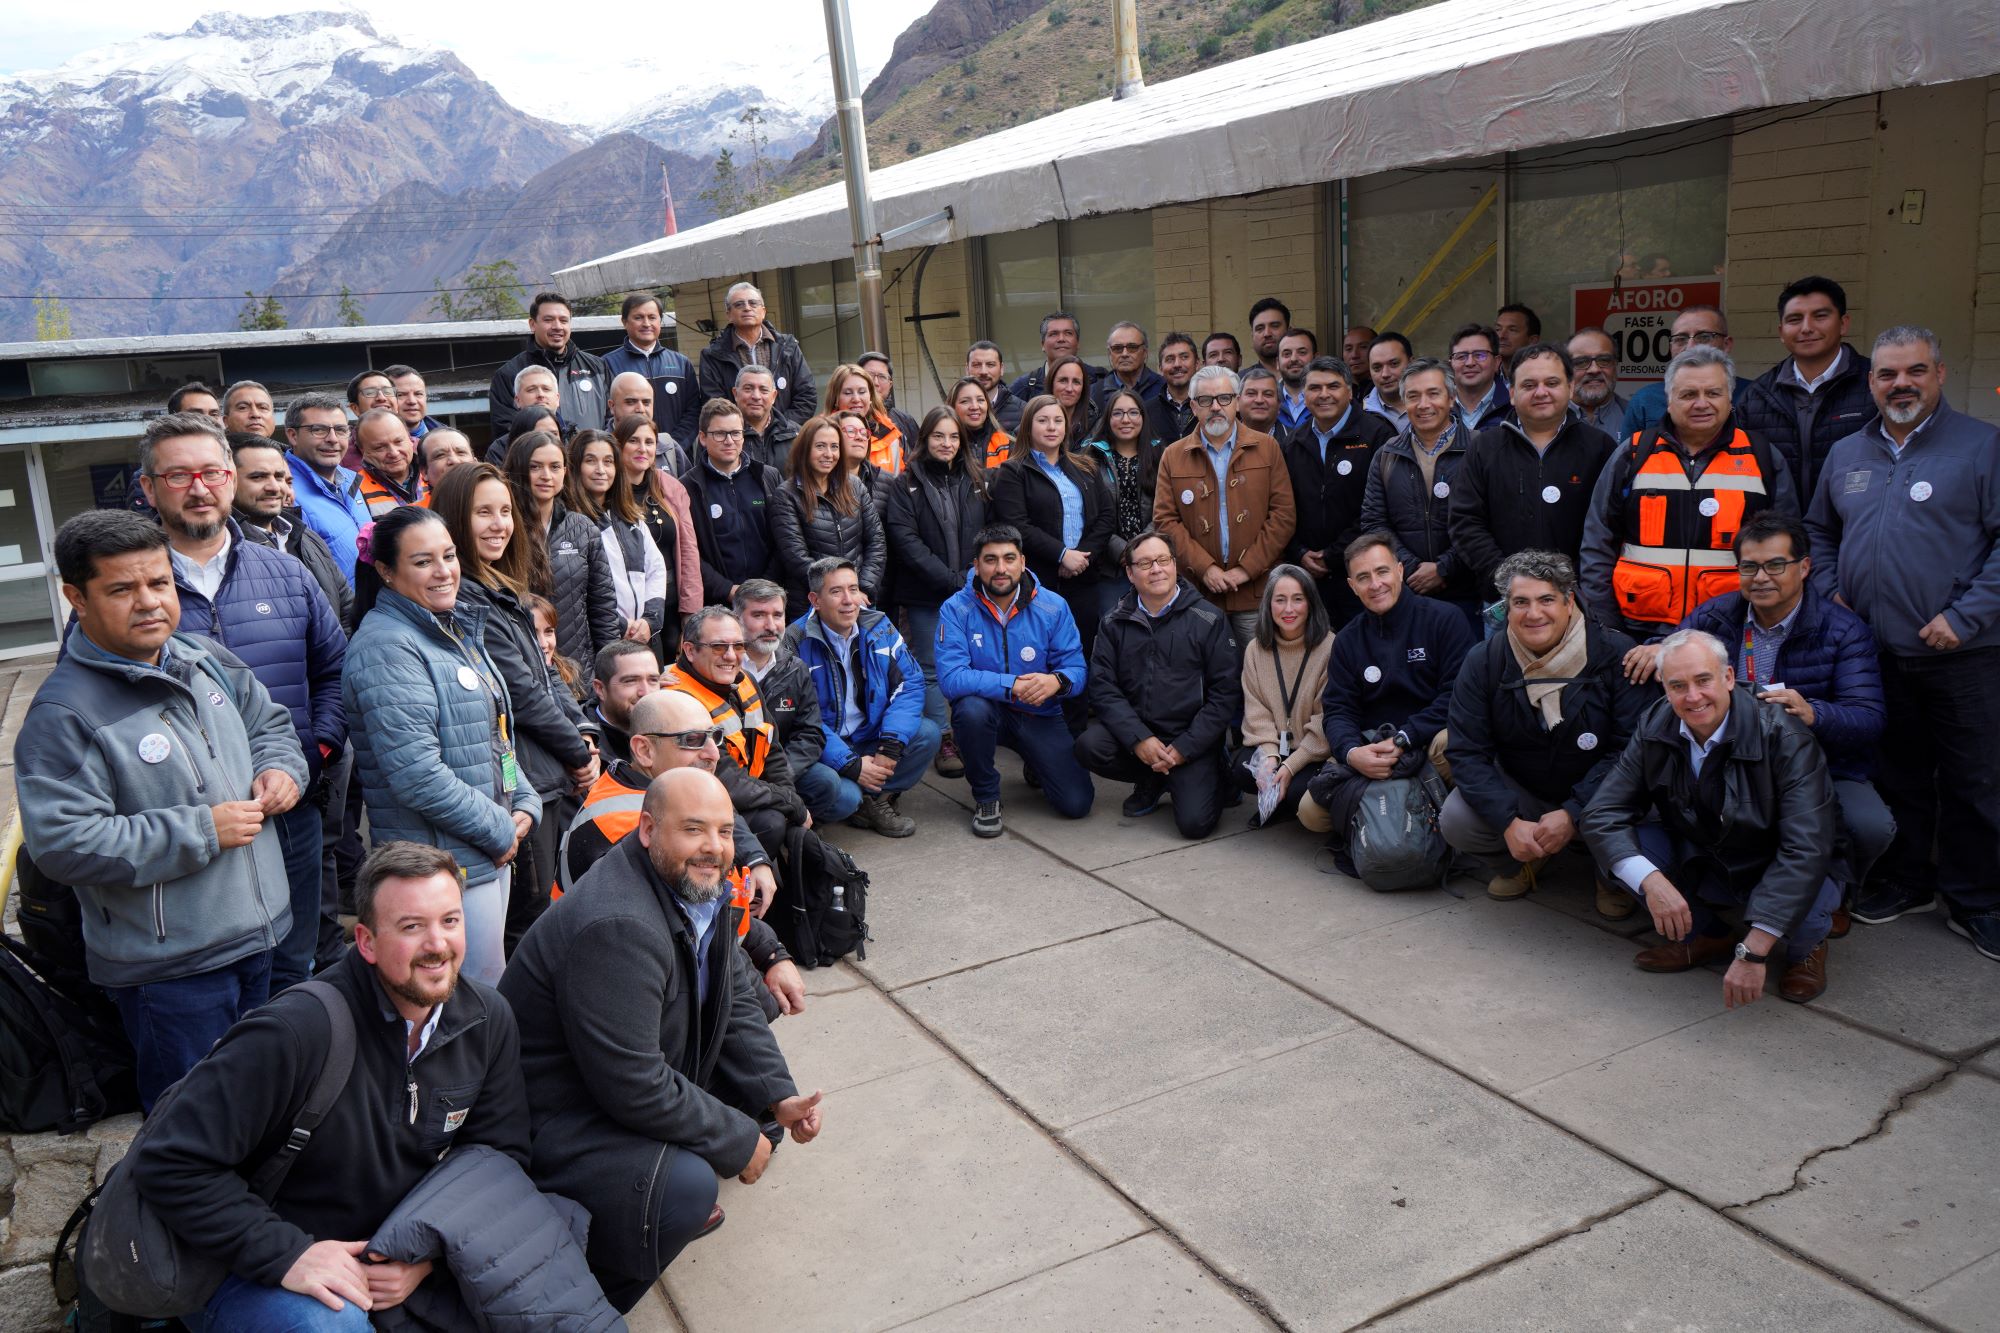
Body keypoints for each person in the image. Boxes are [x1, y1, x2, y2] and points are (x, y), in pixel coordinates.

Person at [126, 841, 535, 1332]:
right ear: (366, 942)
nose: (437, 945)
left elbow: (497, 1160)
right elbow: (169, 1162)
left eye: (450, 921)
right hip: (254, 1259)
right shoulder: (297, 1031)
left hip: (394, 1257)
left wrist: (427, 1259)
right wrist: (289, 1254)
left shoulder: (486, 1019)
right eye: (411, 927)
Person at [499, 769, 823, 1313]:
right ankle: (577, 1307)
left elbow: (734, 999)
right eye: (693, 829)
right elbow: (633, 1083)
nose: (714, 847)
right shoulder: (618, 923)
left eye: (724, 831)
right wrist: (736, 1141)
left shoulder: (697, 886)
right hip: (550, 1113)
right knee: (685, 1189)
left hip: (607, 1076)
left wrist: (776, 1096)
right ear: (648, 829)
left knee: (751, 1115)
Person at [19, 509, 306, 1107]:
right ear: (77, 598)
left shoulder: (204, 658)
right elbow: (62, 844)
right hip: (173, 972)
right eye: (122, 589)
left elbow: (269, 725)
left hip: (264, 936)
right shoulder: (63, 714)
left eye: (159, 582)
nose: (149, 602)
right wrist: (202, 829)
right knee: (193, 1121)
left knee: (266, 1102)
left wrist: (282, 769)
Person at [1808, 325, 2000, 958]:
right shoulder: (1848, 452)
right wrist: (1831, 590)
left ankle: (1976, 900)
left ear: (1939, 374)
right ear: (1871, 382)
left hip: (1964, 653)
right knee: (1900, 775)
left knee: (1975, 781)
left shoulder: (1981, 446)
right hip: (1876, 653)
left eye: (1915, 371)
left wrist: (1965, 616)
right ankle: (1908, 880)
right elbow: (1819, 531)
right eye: (1888, 374)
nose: (1901, 384)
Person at [141, 415, 346, 994]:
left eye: (211, 473)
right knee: (209, 984)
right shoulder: (132, 589)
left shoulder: (286, 573)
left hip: (290, 809)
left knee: (293, 969)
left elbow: (333, 671)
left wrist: (316, 751)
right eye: (178, 476)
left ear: (230, 479)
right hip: (190, 828)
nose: (199, 488)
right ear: (149, 488)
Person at [1581, 629, 1837, 1003]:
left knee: (1808, 904)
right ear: (1664, 688)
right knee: (1628, 852)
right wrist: (1651, 881)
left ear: (1728, 677)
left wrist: (1753, 954)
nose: (1693, 696)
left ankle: (1805, 950)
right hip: (1707, 853)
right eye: (1678, 686)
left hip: (1776, 861)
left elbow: (1807, 847)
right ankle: (1707, 936)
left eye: (1703, 680)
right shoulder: (1654, 724)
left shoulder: (1784, 735)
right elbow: (1602, 812)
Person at [344, 506, 540, 985]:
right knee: (466, 997)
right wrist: (500, 827)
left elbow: (494, 735)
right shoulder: (387, 646)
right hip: (439, 867)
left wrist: (523, 799)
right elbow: (416, 774)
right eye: (423, 561)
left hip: (484, 852)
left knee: (484, 992)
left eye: (448, 556)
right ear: (386, 571)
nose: (443, 571)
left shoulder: (448, 629)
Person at [1677, 511, 1891, 913]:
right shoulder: (1714, 617)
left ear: (1804, 567)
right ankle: (1714, 906)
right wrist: (1656, 649)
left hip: (1822, 765)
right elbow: (1674, 656)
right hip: (1732, 760)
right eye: (1749, 566)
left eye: (1775, 565)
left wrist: (1813, 713)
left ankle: (1837, 893)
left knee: (1870, 826)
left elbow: (1868, 717)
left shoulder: (1844, 630)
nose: (1761, 578)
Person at [559, 689, 805, 1022]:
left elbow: (718, 912)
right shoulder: (630, 830)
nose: (712, 754)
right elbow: (704, 948)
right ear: (644, 750)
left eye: (714, 737)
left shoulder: (650, 796)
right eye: (692, 740)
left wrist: (771, 953)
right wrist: (766, 991)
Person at [434, 463, 598, 955]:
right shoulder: (465, 597)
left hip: (548, 767)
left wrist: (583, 731)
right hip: (522, 772)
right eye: (483, 512)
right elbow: (522, 694)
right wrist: (576, 753)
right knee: (524, 920)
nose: (499, 524)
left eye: (505, 511)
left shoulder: (502, 588)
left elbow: (547, 674)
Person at [1443, 551, 1645, 914]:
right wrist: (1507, 822)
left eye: (1546, 599)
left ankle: (1609, 873)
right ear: (1506, 608)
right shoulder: (1484, 660)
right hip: (1527, 790)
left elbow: (1630, 752)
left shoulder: (1616, 654)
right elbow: (1466, 752)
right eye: (1521, 602)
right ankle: (1522, 859)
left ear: (1569, 601)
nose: (1533, 613)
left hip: (1600, 796)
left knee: (1646, 811)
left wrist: (1573, 812)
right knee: (1457, 818)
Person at [1580, 346, 1796, 647]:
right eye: (1688, 394)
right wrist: (1609, 629)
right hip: (1637, 633)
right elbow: (1597, 544)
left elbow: (1786, 554)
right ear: (1669, 401)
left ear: (1729, 398)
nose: (1701, 403)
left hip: (1732, 632)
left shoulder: (1761, 457)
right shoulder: (1634, 453)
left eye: (1713, 393)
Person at [1299, 533, 1474, 862]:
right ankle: (1390, 824)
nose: (1375, 584)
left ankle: (1433, 826)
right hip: (1372, 750)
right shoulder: (1348, 639)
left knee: (1453, 743)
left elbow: (1457, 696)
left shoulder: (1444, 619)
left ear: (1400, 570)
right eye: (1363, 577)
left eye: (1382, 571)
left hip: (1426, 743)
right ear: (1352, 586)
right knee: (1310, 813)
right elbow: (1338, 710)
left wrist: (1406, 737)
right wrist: (1352, 753)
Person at [1078, 530, 1241, 837]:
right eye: (1145, 563)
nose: (1156, 569)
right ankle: (1152, 778)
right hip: (1141, 733)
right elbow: (1103, 688)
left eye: (1163, 560)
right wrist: (1139, 739)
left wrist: (1185, 747)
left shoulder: (1209, 619)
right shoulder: (1114, 621)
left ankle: (1213, 773)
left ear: (1174, 565)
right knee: (1090, 747)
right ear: (1130, 573)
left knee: (1194, 825)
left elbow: (1225, 694)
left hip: (1191, 738)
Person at [936, 524, 1094, 836]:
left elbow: (1076, 668)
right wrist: (1012, 685)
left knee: (1077, 803)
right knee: (970, 711)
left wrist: (1057, 682)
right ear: (976, 565)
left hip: (1039, 713)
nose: (1000, 568)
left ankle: (1036, 760)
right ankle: (986, 797)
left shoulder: (1053, 606)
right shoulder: (956, 608)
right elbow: (951, 678)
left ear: (1022, 562)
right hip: (987, 712)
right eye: (990, 559)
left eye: (1009, 559)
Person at [784, 556, 941, 837]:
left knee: (927, 734)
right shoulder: (795, 640)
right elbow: (801, 718)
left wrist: (890, 745)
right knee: (844, 796)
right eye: (836, 591)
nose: (849, 600)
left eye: (853, 589)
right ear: (815, 600)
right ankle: (852, 801)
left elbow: (910, 683)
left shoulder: (880, 626)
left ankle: (873, 800)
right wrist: (850, 764)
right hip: (823, 746)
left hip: (868, 736)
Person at [1448, 342, 1616, 597]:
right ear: (1512, 393)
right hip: (1504, 597)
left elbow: (1610, 527)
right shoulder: (1484, 448)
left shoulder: (1599, 448)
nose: (1541, 392)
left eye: (1552, 383)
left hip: (1577, 597)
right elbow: (1465, 522)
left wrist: (1576, 585)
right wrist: (1506, 579)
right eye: (1529, 385)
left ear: (1570, 388)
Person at [1152, 364, 1298, 646]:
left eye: (1224, 398)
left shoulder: (1268, 448)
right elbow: (1165, 521)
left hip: (1255, 591)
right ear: (1193, 406)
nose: (1216, 407)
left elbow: (1283, 516)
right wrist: (1206, 569)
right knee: (1203, 668)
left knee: (1260, 664)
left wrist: (1245, 570)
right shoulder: (1173, 456)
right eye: (1206, 400)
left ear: (1237, 402)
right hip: (1198, 593)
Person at [885, 406, 992, 767]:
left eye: (953, 436)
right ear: (925, 438)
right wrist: (951, 580)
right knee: (930, 668)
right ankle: (944, 739)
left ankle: (974, 732)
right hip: (926, 593)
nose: (946, 443)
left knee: (977, 662)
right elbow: (906, 540)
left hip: (974, 590)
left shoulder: (977, 480)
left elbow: (988, 533)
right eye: (938, 436)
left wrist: (972, 576)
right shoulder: (905, 484)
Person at [665, 607, 811, 861]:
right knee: (772, 822)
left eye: (739, 645)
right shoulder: (678, 700)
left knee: (794, 813)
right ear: (690, 650)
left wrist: (791, 800)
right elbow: (728, 783)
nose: (731, 656)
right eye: (718, 647)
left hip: (749, 790)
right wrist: (790, 803)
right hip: (704, 804)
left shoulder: (745, 680)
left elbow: (773, 752)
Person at [990, 393, 1116, 669]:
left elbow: (1106, 516)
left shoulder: (1086, 467)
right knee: (1040, 657)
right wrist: (1061, 555)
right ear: (1028, 426)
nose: (1051, 427)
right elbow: (1017, 525)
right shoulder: (1012, 471)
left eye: (1058, 421)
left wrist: (1081, 557)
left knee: (1081, 655)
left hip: (1083, 578)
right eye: (1043, 420)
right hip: (1039, 580)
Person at [1358, 357, 1478, 626]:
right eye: (1413, 396)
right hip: (1407, 592)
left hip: (1468, 593)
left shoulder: (1480, 449)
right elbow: (1374, 523)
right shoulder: (1386, 455)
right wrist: (1412, 568)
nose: (1423, 404)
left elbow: (1490, 520)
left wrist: (1444, 568)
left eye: (1433, 394)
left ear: (1451, 398)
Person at [1734, 275, 1874, 503]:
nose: (1807, 328)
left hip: (1854, 523)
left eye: (1820, 316)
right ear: (1781, 331)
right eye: (1795, 319)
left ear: (1844, 323)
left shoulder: (1875, 385)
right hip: (1780, 523)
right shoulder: (1756, 396)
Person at [1281, 355, 1397, 625]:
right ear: (1304, 394)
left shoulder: (1378, 435)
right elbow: (1283, 506)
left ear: (1349, 391)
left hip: (1362, 574)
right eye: (1314, 388)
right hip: (1308, 574)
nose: (1324, 395)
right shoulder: (1293, 442)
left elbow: (1383, 507)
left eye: (1333, 386)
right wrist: (1299, 552)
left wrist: (1333, 555)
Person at [503, 431, 624, 678]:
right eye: (535, 467)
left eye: (555, 467)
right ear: (518, 469)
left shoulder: (583, 528)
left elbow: (602, 609)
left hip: (578, 670)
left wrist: (610, 673)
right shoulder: (503, 529)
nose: (546, 475)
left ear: (566, 472)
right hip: (521, 669)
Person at [1230, 565, 1334, 825]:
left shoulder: (1330, 647)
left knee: (1299, 790)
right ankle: (1277, 801)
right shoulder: (1255, 649)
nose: (1289, 609)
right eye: (1280, 600)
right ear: (1268, 604)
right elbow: (1256, 712)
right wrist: (1270, 757)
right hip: (1276, 745)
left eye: (1298, 599)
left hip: (1312, 751)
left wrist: (1290, 766)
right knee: (1242, 769)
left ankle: (1286, 801)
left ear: (1311, 603)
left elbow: (1325, 721)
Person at [232, 434, 354, 631]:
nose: (274, 487)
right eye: (258, 477)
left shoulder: (307, 538)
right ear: (229, 481)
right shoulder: (225, 548)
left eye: (280, 477)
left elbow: (347, 609)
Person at [771, 413, 887, 615]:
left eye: (834, 447)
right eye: (820, 446)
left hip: (859, 600)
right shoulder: (787, 494)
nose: (829, 454)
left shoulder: (855, 486)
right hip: (812, 604)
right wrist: (837, 592)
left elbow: (876, 541)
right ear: (804, 449)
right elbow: (795, 557)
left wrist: (860, 588)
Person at [611, 413, 702, 660]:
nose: (643, 448)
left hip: (670, 608)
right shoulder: (606, 492)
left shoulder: (670, 488)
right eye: (633, 441)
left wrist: (690, 617)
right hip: (626, 616)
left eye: (649, 442)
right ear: (618, 446)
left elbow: (689, 554)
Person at [683, 398, 788, 603]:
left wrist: (764, 587)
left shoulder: (767, 477)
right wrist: (726, 590)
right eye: (720, 434)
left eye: (735, 433)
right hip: (717, 602)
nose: (729, 440)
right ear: (703, 438)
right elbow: (688, 552)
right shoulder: (688, 487)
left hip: (769, 596)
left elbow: (784, 538)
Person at [571, 428, 667, 651]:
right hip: (600, 641)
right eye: (590, 461)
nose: (601, 470)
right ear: (576, 467)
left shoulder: (631, 517)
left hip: (644, 639)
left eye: (608, 461)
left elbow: (656, 569)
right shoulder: (571, 523)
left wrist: (649, 620)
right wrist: (622, 625)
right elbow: (578, 590)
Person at [736, 579, 826, 783]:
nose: (770, 626)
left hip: (781, 769)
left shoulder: (796, 668)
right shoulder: (722, 667)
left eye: (777, 615)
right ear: (737, 619)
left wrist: (783, 773)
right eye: (758, 615)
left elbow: (810, 733)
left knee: (829, 784)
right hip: (734, 774)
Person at [489, 292, 609, 440]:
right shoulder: (509, 374)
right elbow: (506, 433)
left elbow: (612, 419)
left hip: (591, 454)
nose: (557, 326)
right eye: (548, 320)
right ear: (532, 324)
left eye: (563, 320)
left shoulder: (598, 367)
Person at [1623, 307, 1753, 439]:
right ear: (1671, 347)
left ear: (1726, 344)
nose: (1691, 347)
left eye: (1704, 337)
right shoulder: (1645, 400)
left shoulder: (1753, 395)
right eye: (1681, 339)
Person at [1085, 387, 1168, 594]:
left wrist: (1142, 548)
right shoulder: (1091, 458)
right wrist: (1122, 551)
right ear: (1108, 418)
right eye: (1118, 413)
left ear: (1143, 417)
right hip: (1108, 565)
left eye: (1133, 412)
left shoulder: (1161, 454)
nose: (1125, 420)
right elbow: (1089, 512)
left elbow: (1167, 506)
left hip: (1155, 558)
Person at [699, 281, 817, 425]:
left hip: (785, 433)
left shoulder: (788, 347)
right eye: (739, 304)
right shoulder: (713, 355)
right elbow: (715, 405)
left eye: (753, 303)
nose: (747, 308)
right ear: (729, 314)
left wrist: (779, 429)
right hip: (737, 435)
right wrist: (747, 431)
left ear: (763, 311)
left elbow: (806, 396)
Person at [284, 392, 370, 584]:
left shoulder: (351, 480)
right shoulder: (285, 493)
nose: (332, 439)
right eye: (319, 430)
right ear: (293, 435)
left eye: (340, 430)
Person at [601, 291, 701, 447]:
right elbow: (606, 414)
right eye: (638, 317)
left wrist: (671, 446)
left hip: (675, 452)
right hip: (629, 451)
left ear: (660, 321)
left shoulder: (681, 363)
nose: (646, 323)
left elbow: (693, 411)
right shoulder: (606, 364)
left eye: (652, 317)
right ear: (624, 322)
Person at [589, 638, 662, 764]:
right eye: (630, 681)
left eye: (653, 680)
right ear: (600, 689)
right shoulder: (580, 743)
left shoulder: (674, 727)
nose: (645, 692)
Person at [1009, 310, 1102, 400]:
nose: (1061, 339)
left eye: (1068, 333)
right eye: (1054, 334)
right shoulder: (1024, 386)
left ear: (1078, 343)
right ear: (1042, 345)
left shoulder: (1097, 380)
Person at [484, 371, 568, 464]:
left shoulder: (573, 438)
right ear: (517, 400)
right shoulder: (500, 449)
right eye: (531, 390)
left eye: (546, 389)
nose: (540, 395)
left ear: (557, 398)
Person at [353, 408, 424, 514]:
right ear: (362, 450)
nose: (394, 453)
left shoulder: (433, 477)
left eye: (398, 441)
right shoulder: (354, 491)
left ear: (410, 439)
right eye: (380, 447)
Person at [1089, 321, 1167, 414]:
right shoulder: (1094, 394)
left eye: (1132, 347)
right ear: (1110, 354)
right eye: (1117, 348)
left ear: (1145, 352)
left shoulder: (1164, 389)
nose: (1124, 354)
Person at [732, 363, 798, 471]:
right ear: (735, 393)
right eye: (748, 389)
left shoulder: (796, 435)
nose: (756, 396)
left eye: (764, 390)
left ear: (774, 396)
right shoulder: (721, 435)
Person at [1447, 324, 1512, 431]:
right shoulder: (1437, 408)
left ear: (1497, 362)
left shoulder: (1515, 407)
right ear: (1451, 365)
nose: (1470, 363)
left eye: (1480, 355)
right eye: (1461, 356)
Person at [1567, 328, 1627, 437]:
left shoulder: (1634, 417)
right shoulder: (1547, 417)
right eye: (1581, 362)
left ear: (1615, 366)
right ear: (1566, 369)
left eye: (1604, 360)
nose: (1594, 370)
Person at [951, 374, 1013, 470]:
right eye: (965, 401)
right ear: (952, 407)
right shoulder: (945, 445)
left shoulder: (1008, 443)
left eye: (980, 400)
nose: (975, 407)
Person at [1149, 330, 1200, 445]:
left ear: (1197, 364)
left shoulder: (1209, 405)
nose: (1177, 364)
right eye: (1170, 359)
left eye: (1184, 357)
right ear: (1160, 368)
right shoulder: (1147, 411)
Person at [858, 350, 921, 443]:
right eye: (870, 375)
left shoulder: (906, 422)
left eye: (882, 377)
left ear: (890, 385)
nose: (875, 383)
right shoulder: (843, 419)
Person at [966, 340, 1026, 433]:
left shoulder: (1024, 412)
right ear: (967, 369)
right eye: (977, 365)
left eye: (990, 365)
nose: (983, 371)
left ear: (1001, 369)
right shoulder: (954, 411)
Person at [1363, 332, 1413, 432]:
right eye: (1377, 368)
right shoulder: (1359, 415)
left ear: (1411, 363)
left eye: (1394, 364)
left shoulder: (1435, 405)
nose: (1385, 374)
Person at [1274, 329, 1318, 435]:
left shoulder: (1328, 400)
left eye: (1302, 352)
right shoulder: (1268, 402)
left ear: (1316, 359)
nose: (1293, 359)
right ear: (1277, 363)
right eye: (1287, 354)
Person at [384, 364, 442, 443]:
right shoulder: (369, 441)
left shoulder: (449, 439)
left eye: (418, 394)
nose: (412, 401)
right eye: (401, 395)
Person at [1047, 354, 1095, 447]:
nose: (1069, 388)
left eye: (1076, 382)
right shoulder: (1032, 423)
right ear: (1051, 383)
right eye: (1063, 380)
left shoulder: (1096, 426)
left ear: (1083, 388)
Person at [418, 427, 475, 500]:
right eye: (440, 455)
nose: (454, 460)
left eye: (461, 452)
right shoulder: (414, 508)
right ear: (424, 472)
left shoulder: (490, 500)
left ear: (475, 462)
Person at [1235, 366, 1282, 436]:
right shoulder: (1221, 438)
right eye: (1251, 393)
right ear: (1237, 403)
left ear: (1279, 405)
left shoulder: (1294, 440)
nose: (1259, 400)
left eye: (1268, 394)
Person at [1248, 297, 1290, 374]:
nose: (1267, 334)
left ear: (1289, 331)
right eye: (1260, 328)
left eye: (1275, 326)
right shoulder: (1239, 380)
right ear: (1252, 335)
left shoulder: (1309, 376)